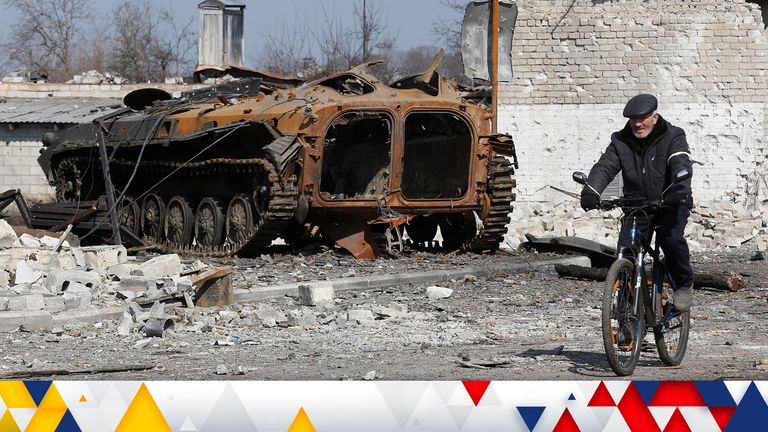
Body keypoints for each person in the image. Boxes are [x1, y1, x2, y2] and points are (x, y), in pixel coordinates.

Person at [580, 94, 694, 312]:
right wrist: (591, 191)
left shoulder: (673, 136)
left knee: (671, 241)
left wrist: (678, 191)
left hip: (670, 202)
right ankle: (626, 315)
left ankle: (683, 284)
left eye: (642, 118)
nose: (638, 123)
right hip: (637, 205)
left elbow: (680, 162)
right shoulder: (621, 141)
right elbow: (605, 166)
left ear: (655, 117)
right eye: (633, 119)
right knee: (626, 252)